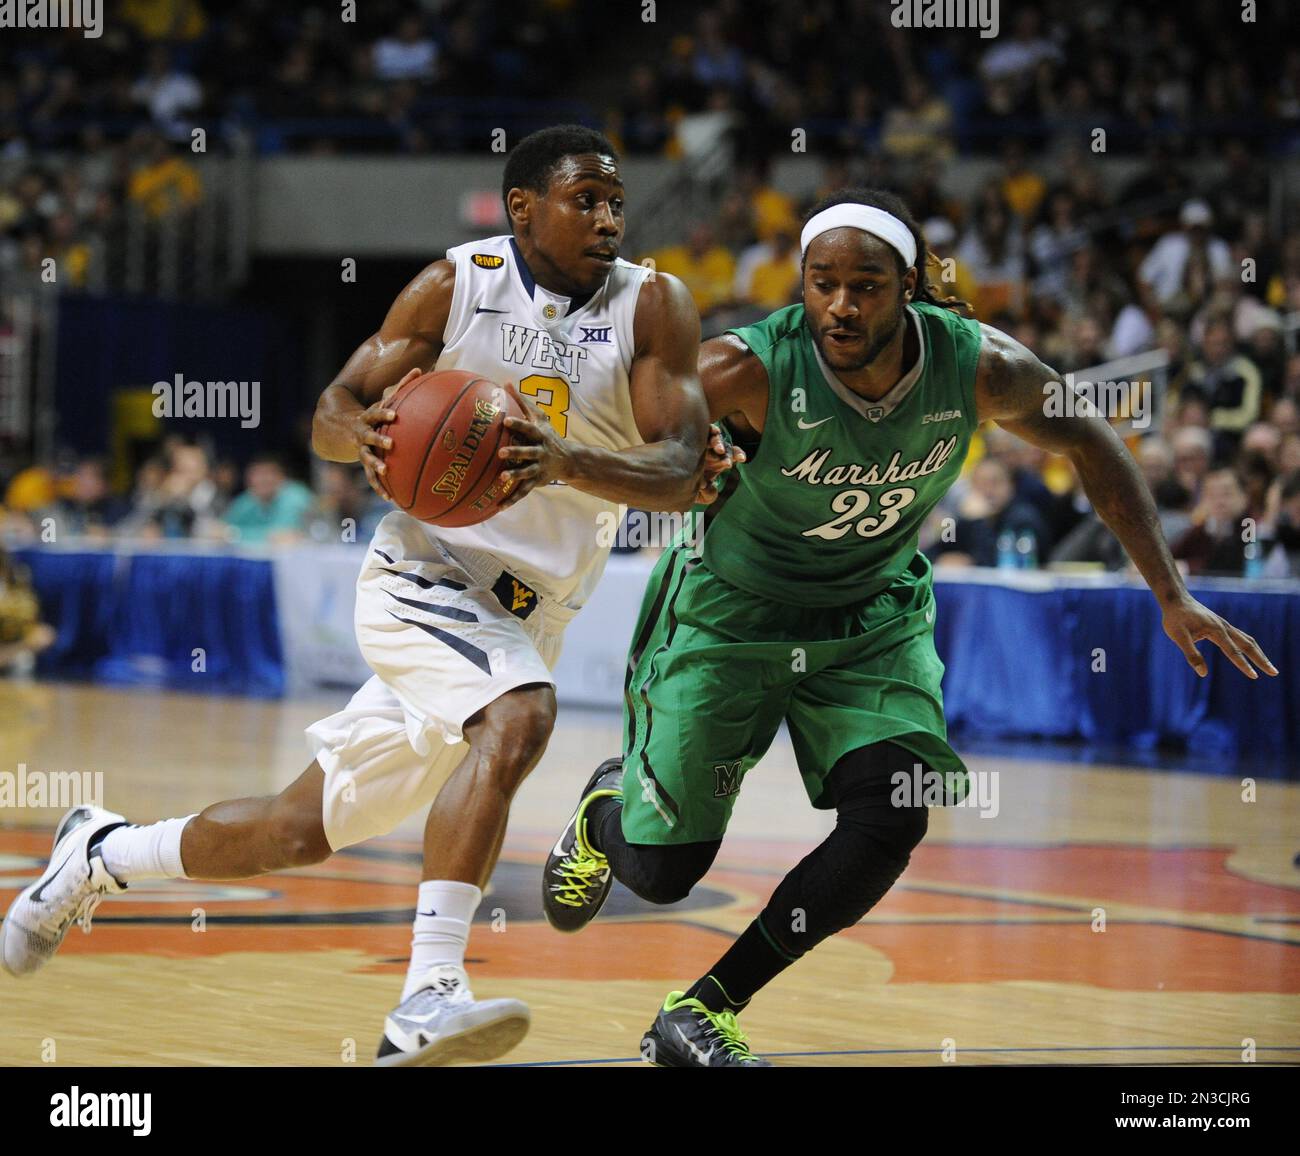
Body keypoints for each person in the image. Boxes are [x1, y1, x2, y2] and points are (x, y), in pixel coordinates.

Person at [2, 125, 711, 1067]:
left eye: (616, 201)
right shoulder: (455, 285)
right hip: (424, 576)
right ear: (523, 208)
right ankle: (428, 993)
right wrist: (365, 439)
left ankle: (100, 853)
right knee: (521, 717)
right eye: (586, 199)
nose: (609, 217)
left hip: (532, 609)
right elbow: (334, 409)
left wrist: (565, 460)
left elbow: (679, 471)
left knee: (295, 833)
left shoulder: (655, 306)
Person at [540, 188, 1278, 1067]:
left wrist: (1168, 590)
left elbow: (1092, 441)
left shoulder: (979, 368)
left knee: (897, 809)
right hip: (730, 611)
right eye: (821, 284)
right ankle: (603, 808)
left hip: (869, 615)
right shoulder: (748, 368)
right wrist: (644, 459)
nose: (841, 306)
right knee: (664, 875)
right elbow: (646, 448)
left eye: (866, 286)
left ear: (911, 286)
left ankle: (702, 1010)